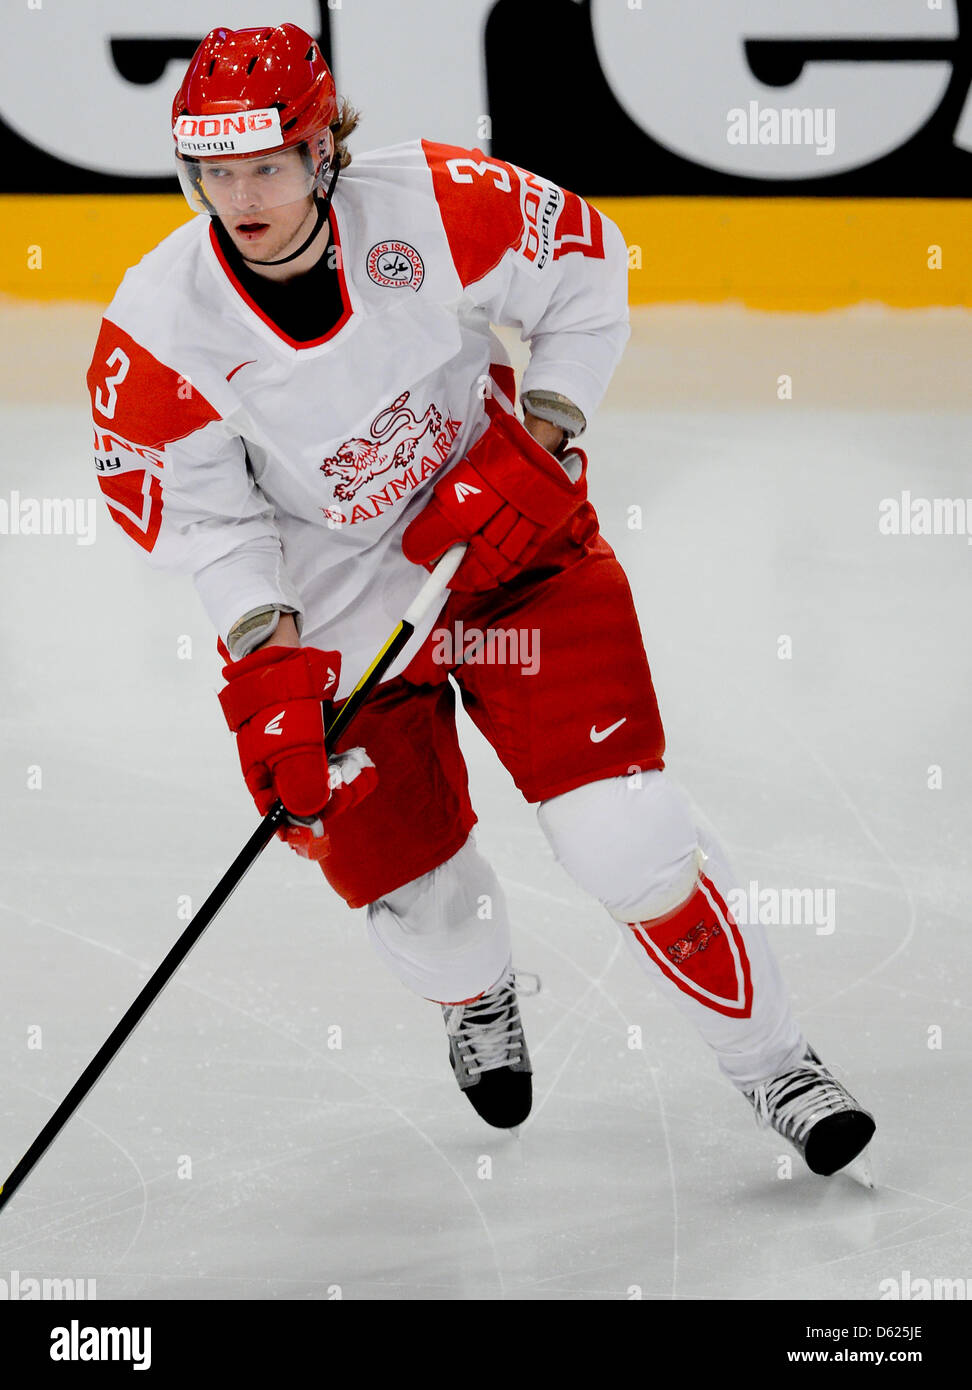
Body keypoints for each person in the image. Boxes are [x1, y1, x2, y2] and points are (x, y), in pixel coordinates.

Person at [87, 23, 875, 1176]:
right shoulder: (161, 322)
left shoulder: (435, 204)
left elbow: (588, 276)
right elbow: (205, 516)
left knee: (629, 842)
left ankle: (779, 1069)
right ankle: (478, 994)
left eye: (264, 165)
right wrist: (266, 661)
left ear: (323, 154)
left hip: (512, 549)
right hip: (342, 595)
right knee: (424, 903)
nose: (238, 197)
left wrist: (535, 443)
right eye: (212, 169)